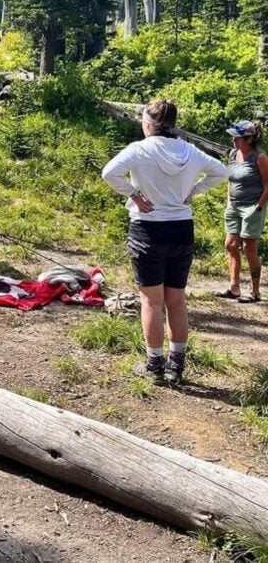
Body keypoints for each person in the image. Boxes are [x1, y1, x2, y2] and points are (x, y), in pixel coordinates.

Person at [102, 99, 229, 385]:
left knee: (151, 301)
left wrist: (134, 194)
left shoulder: (139, 149)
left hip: (148, 230)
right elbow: (222, 172)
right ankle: (177, 366)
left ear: (148, 124)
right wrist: (193, 191)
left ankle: (154, 365)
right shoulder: (191, 151)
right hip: (181, 229)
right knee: (177, 301)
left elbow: (109, 173)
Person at [220, 120, 268, 303]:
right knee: (231, 245)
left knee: (249, 247)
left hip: (252, 207)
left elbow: (267, 185)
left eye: (237, 137)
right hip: (233, 206)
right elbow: (230, 181)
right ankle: (234, 288)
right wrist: (228, 201)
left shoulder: (260, 157)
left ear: (249, 139)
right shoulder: (232, 154)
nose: (233, 140)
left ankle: (255, 291)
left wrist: (258, 207)